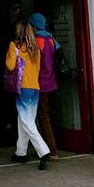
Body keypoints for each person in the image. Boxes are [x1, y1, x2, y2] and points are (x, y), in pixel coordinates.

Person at [6, 19, 52, 169]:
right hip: (35, 87)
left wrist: (9, 53)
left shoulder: (15, 46)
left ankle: (44, 151)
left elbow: (10, 65)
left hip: (23, 88)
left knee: (27, 122)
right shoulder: (35, 48)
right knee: (24, 120)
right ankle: (21, 152)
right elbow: (38, 68)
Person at [29, 12, 59, 160]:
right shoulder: (50, 38)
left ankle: (51, 150)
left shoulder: (36, 40)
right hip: (51, 81)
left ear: (33, 25)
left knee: (41, 115)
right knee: (46, 113)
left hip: (40, 83)